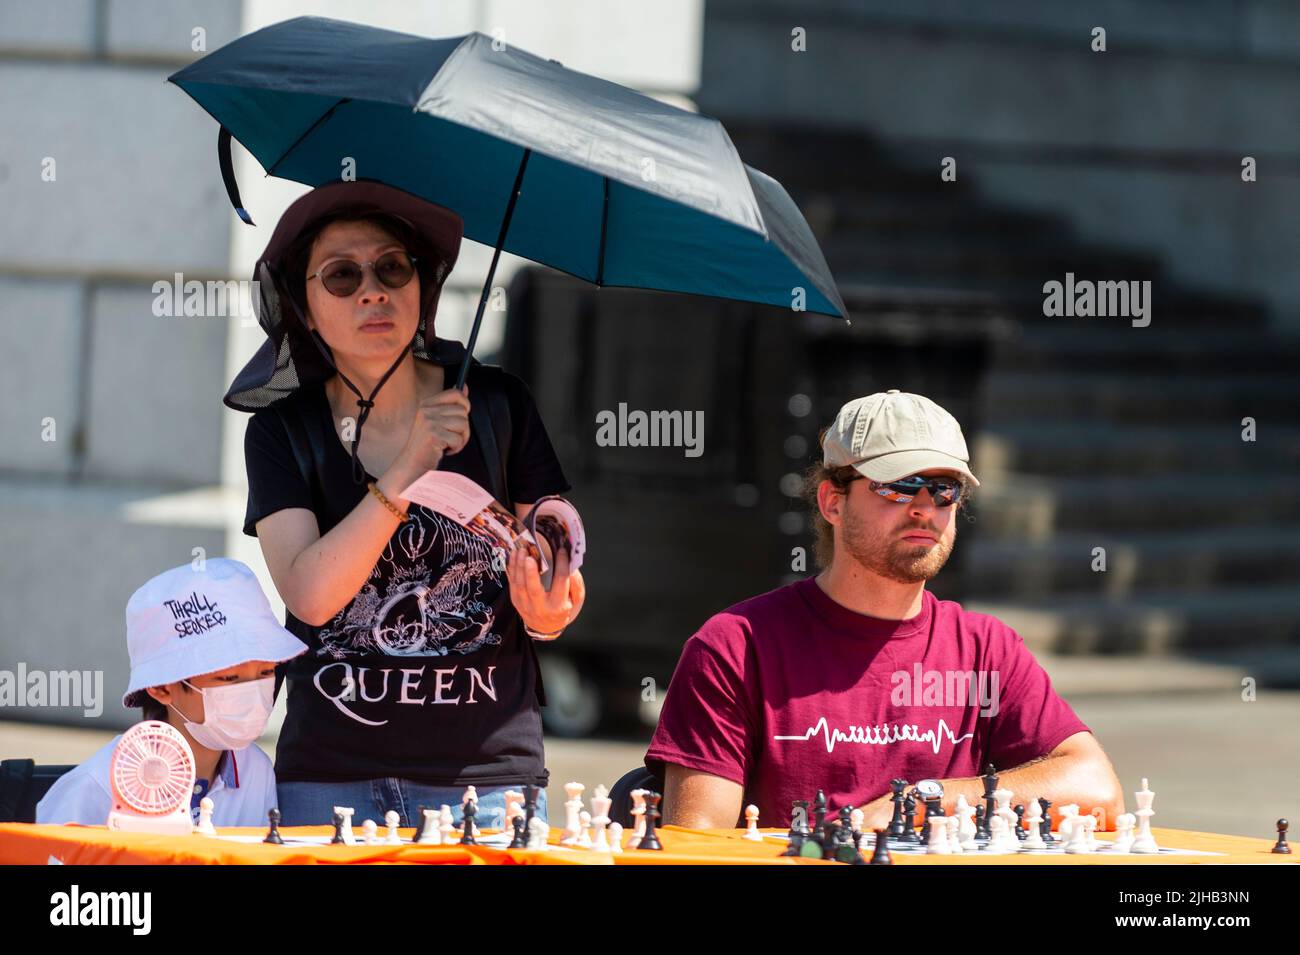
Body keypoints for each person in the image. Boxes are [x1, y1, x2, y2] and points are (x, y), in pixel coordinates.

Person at [230, 179, 584, 828]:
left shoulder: (499, 405)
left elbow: (552, 556)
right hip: (328, 773)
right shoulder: (284, 429)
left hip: (487, 780)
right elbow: (310, 595)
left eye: (393, 267)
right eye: (341, 275)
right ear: (303, 308)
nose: (373, 289)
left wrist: (550, 608)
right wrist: (407, 467)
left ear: (422, 288)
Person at [645, 389, 1124, 830]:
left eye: (945, 489)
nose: (924, 507)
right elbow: (697, 846)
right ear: (833, 501)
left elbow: (1097, 789)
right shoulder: (734, 645)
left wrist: (922, 800)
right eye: (900, 485)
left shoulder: (987, 648)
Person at [37, 559, 307, 826]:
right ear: (161, 687)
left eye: (265, 672)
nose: (252, 691)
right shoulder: (97, 786)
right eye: (228, 678)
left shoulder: (256, 772)